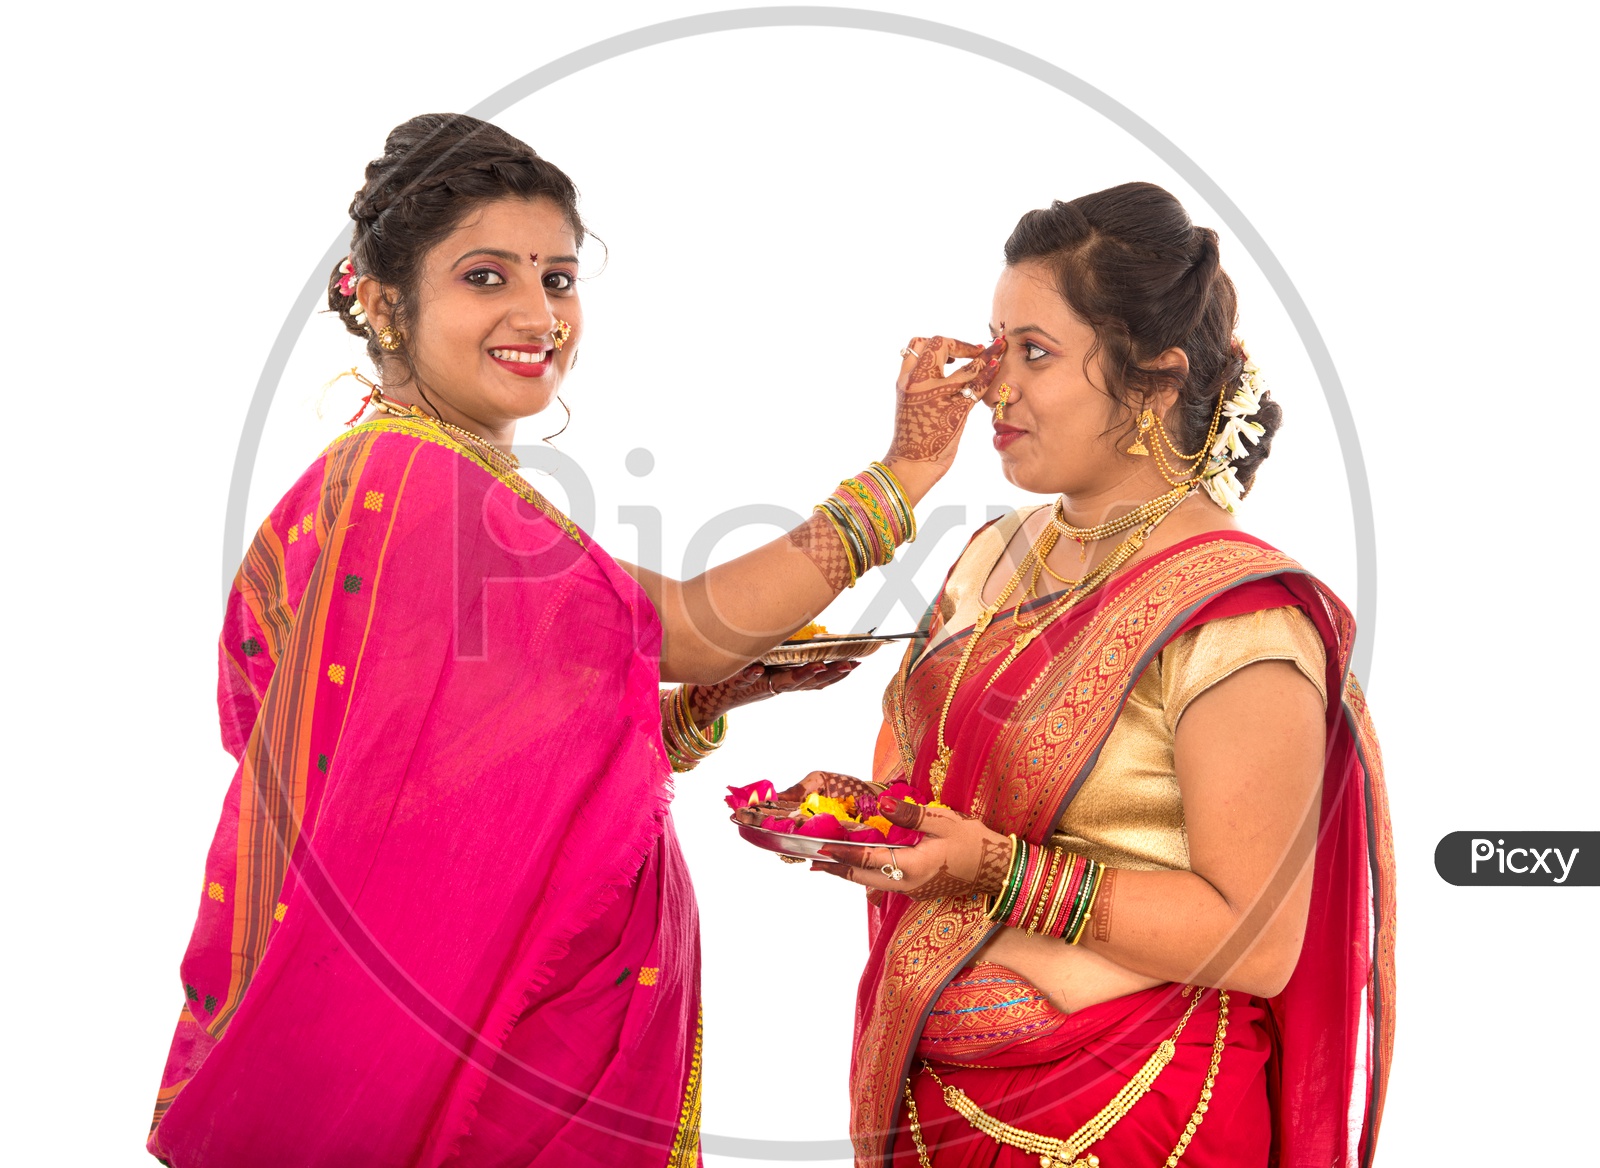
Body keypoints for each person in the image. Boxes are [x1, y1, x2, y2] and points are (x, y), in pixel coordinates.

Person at [146, 112, 1003, 1167]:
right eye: (485, 277)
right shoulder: (419, 486)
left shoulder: (416, 478)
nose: (535, 312)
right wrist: (906, 474)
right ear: (380, 297)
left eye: (555, 277)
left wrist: (697, 708)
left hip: (516, 1033)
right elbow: (687, 624)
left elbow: (489, 748)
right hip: (492, 1071)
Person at [792, 182, 1394, 1168]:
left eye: (1035, 352)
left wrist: (994, 871)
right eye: (995, 346)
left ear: (1153, 381)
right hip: (933, 1099)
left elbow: (1257, 940)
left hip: (1138, 1113)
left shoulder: (1236, 616)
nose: (995, 384)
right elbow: (939, 786)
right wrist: (869, 819)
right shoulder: (991, 553)